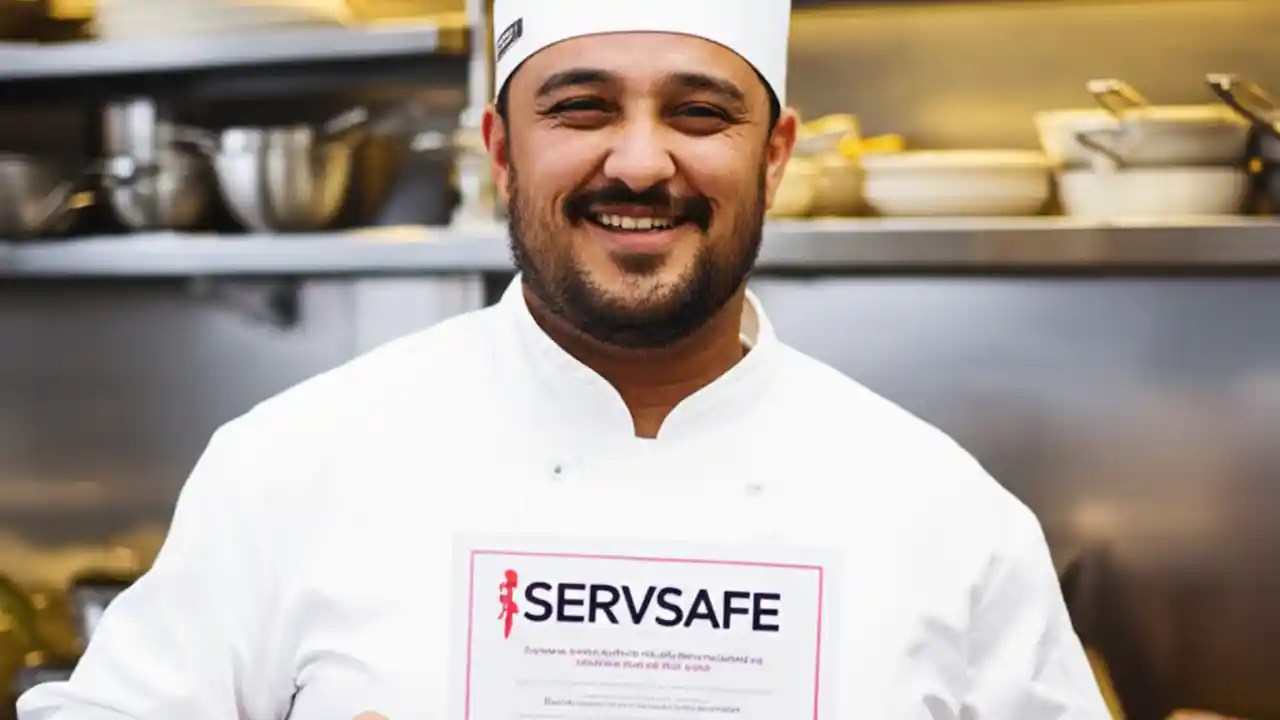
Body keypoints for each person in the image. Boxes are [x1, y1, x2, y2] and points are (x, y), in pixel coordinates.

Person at [18, 0, 1110, 718]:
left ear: (773, 158)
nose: (639, 162)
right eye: (580, 108)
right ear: (500, 151)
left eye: (699, 112)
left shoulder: (947, 517)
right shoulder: (290, 467)